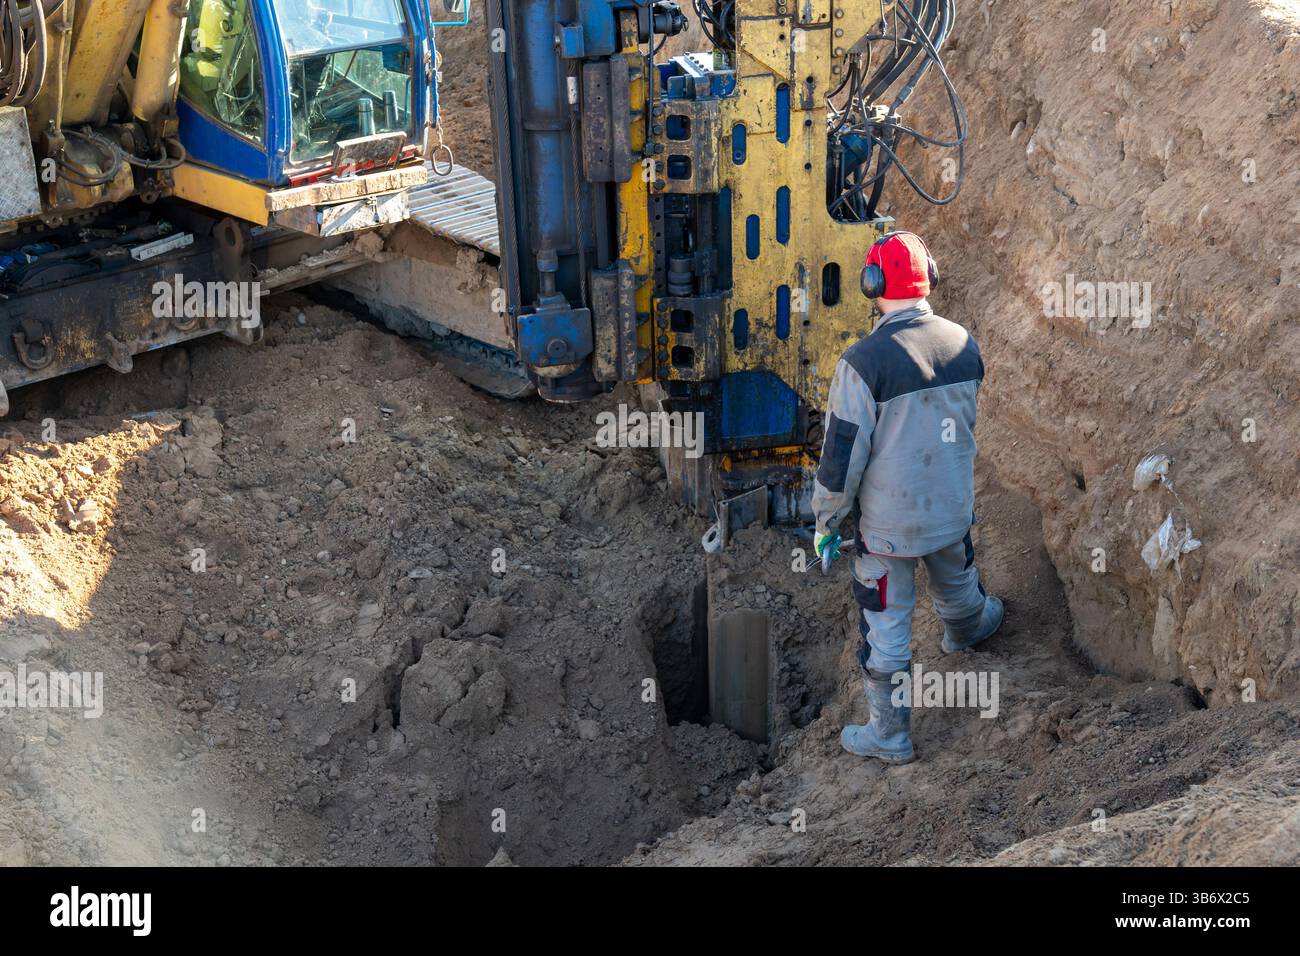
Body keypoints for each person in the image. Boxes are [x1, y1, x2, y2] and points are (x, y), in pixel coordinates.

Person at [811, 231, 1004, 764]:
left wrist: (827, 521)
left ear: (871, 283)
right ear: (931, 278)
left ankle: (889, 735)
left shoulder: (863, 363)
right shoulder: (965, 344)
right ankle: (968, 627)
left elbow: (841, 456)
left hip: (888, 528)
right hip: (950, 510)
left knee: (887, 622)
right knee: (955, 573)